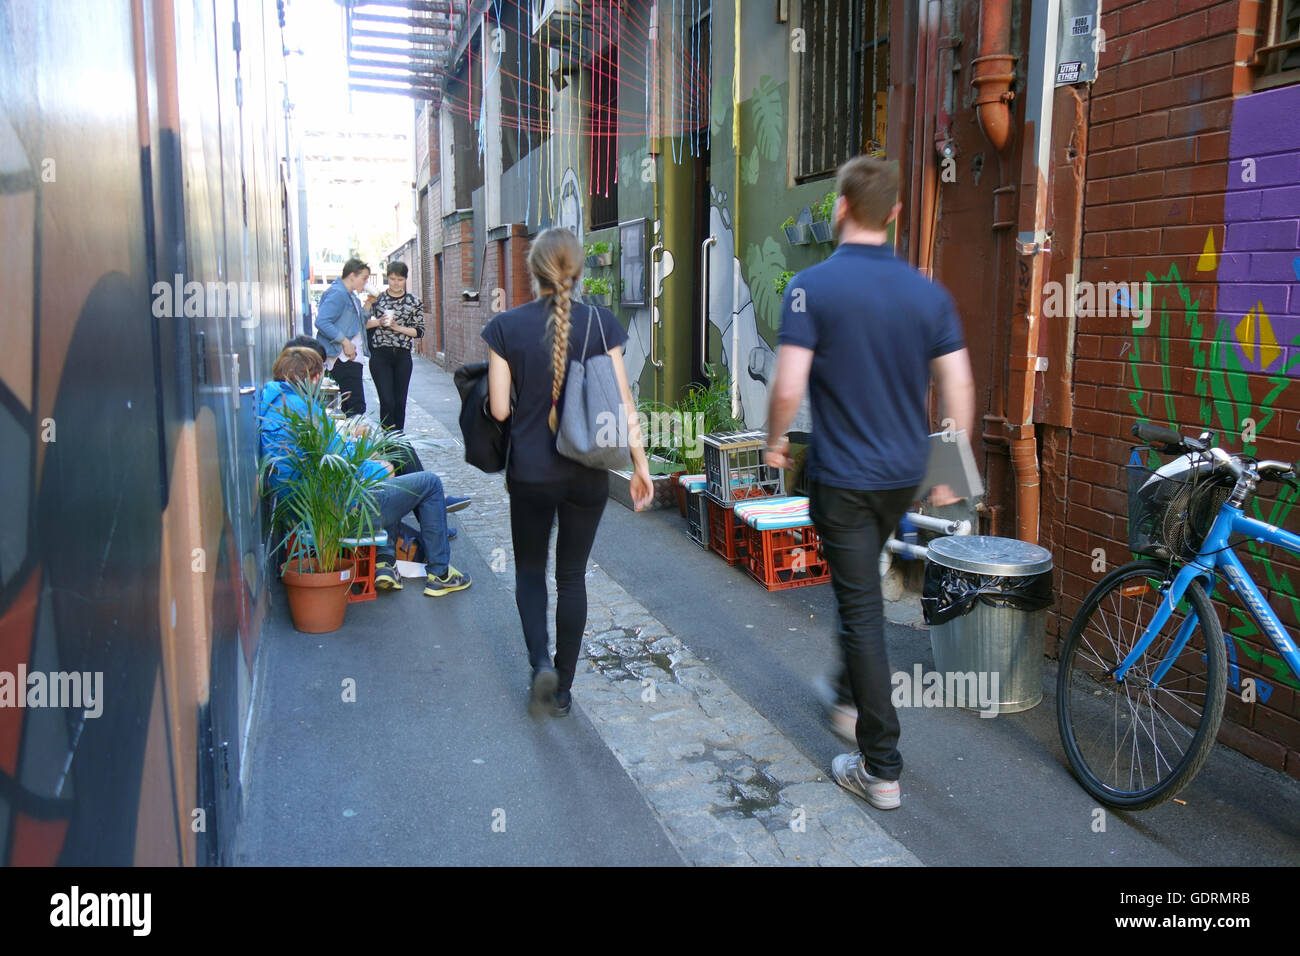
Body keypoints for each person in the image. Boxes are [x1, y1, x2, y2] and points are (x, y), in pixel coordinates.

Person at [765, 156, 975, 811]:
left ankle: (880, 765)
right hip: (904, 476)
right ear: (895, 214)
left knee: (861, 610)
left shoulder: (813, 287)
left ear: (841, 207)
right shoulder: (928, 292)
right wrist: (949, 473)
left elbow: (790, 384)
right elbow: (957, 385)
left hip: (844, 477)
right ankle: (850, 693)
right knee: (860, 595)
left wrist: (775, 441)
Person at [482, 227, 653, 718]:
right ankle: (563, 689)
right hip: (587, 472)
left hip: (531, 473)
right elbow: (624, 403)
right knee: (572, 576)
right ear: (579, 272)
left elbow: (497, 410)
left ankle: (540, 665)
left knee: (531, 571)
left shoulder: (505, 326)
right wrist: (640, 466)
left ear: (532, 271)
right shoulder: (601, 324)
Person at [260, 346, 470, 598]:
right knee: (427, 481)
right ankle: (440, 574)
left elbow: (329, 458)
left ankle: (385, 562)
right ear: (314, 378)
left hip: (307, 508)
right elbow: (339, 462)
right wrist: (378, 465)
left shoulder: (272, 404)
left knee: (390, 469)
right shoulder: (305, 411)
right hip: (337, 512)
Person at [366, 261, 424, 432]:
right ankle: (388, 442)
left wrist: (396, 327)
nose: (396, 283)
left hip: (402, 355)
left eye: (399, 279)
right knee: (386, 400)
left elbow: (419, 331)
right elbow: (363, 323)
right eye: (392, 279)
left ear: (405, 279)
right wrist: (379, 321)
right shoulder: (378, 299)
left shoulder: (413, 301)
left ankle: (398, 440)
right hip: (380, 354)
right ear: (387, 278)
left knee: (400, 401)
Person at [315, 258, 377, 417]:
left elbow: (358, 323)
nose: (365, 282)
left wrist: (369, 303)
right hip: (343, 357)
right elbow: (322, 321)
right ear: (352, 276)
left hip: (351, 357)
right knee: (355, 406)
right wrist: (344, 341)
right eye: (364, 278)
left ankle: (350, 438)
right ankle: (352, 439)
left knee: (352, 405)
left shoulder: (351, 296)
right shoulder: (338, 293)